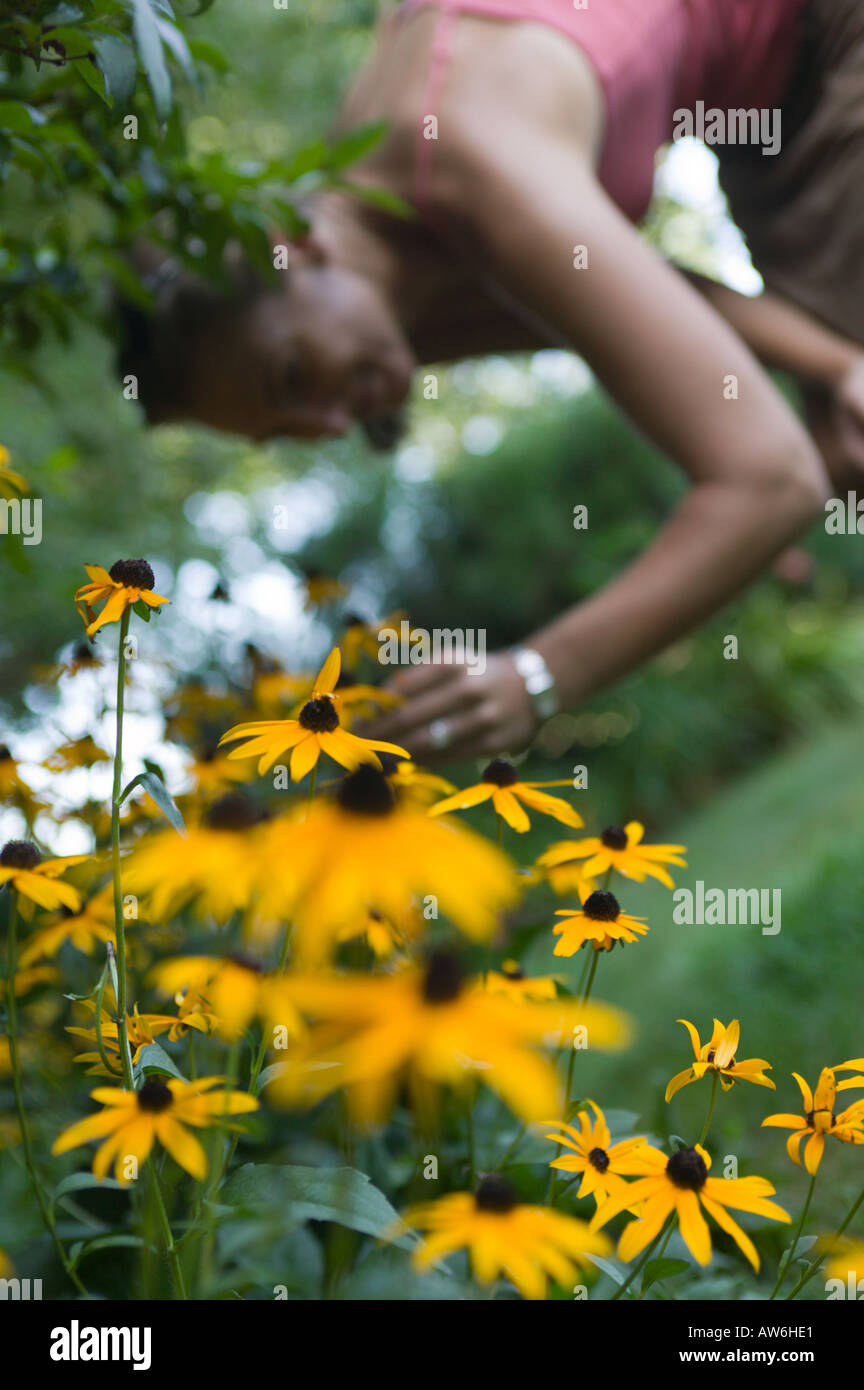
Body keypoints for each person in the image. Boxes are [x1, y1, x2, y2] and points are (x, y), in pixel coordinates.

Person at [121, 0, 864, 763]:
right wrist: (839, 364)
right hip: (761, 104)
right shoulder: (392, 273)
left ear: (290, 247)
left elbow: (771, 480)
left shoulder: (469, 159)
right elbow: (654, 302)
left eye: (292, 378)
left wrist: (537, 677)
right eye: (289, 431)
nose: (330, 425)